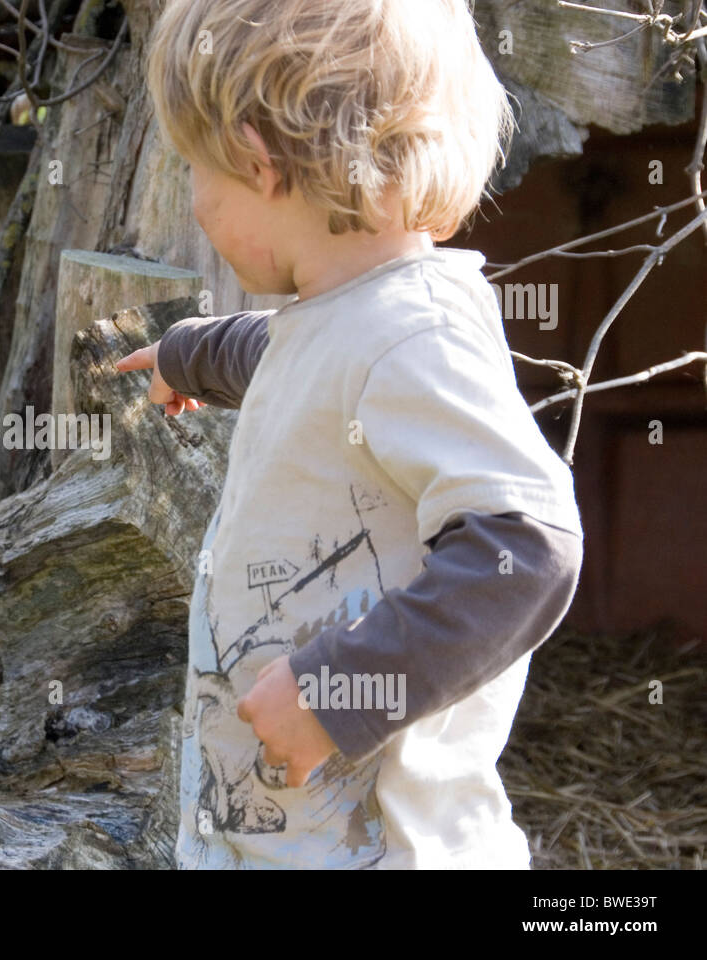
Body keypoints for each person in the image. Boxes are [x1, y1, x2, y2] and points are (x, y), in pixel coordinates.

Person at [114, 0, 583, 868]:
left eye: (193, 169)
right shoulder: (353, 318)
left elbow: (529, 545)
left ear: (257, 161)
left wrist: (337, 693)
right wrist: (191, 354)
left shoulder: (413, 335)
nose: (194, 198)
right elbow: (298, 362)